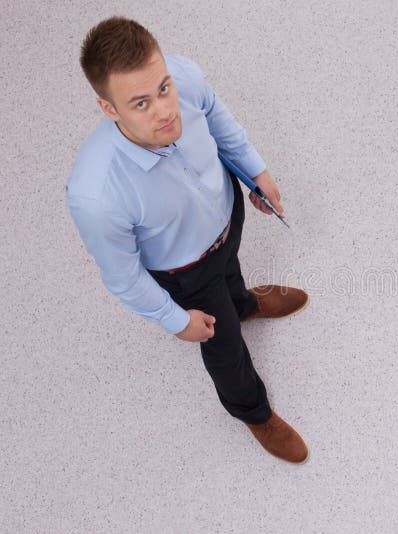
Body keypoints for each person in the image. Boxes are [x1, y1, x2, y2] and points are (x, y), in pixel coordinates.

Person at [66, 16, 309, 463]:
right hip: (186, 273)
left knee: (231, 275)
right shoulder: (95, 195)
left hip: (226, 218)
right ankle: (252, 410)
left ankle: (243, 304)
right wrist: (175, 320)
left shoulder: (182, 76)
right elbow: (122, 277)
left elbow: (216, 116)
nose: (164, 109)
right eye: (140, 103)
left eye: (163, 88)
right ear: (109, 109)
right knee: (225, 348)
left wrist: (255, 172)